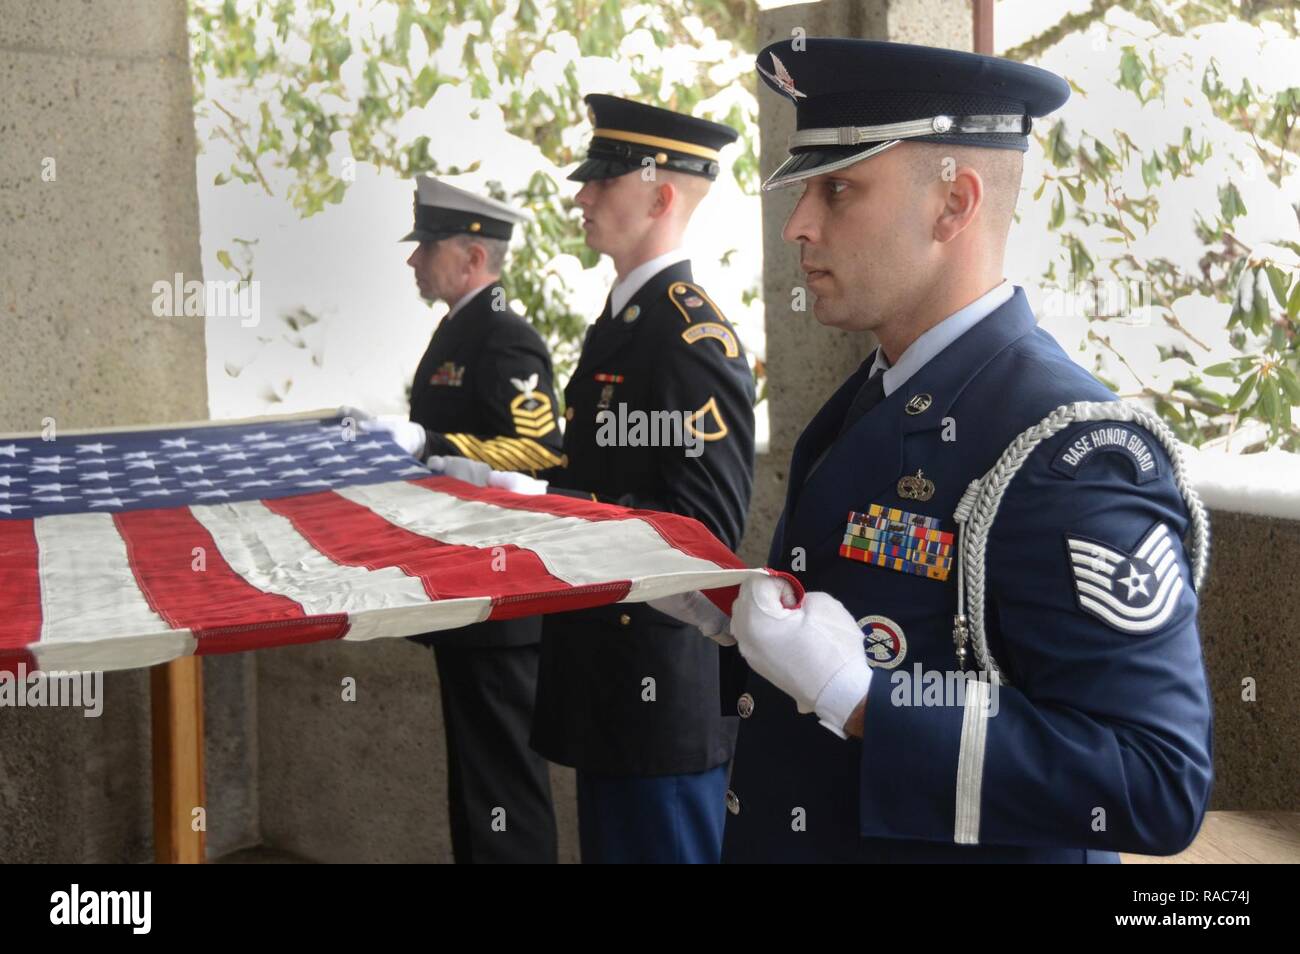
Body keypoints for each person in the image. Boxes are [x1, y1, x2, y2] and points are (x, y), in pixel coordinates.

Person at [656, 38, 1214, 863]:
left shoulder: (1070, 446)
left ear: (954, 204)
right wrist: (750, 638)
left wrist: (860, 700)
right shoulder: (877, 395)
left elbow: (1155, 781)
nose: (799, 223)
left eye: (838, 188)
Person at [530, 95, 757, 863]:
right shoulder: (625, 320)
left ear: (661, 196)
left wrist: (557, 509)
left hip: (658, 678)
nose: (582, 195)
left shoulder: (690, 335)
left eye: (602, 180)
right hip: (610, 675)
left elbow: (706, 536)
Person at [361, 176, 564, 863]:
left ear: (473, 256)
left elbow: (540, 451)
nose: (414, 261)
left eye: (426, 247)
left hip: (500, 598)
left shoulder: (503, 338)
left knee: (502, 787)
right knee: (478, 792)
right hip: (462, 590)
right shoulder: (459, 333)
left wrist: (429, 445)